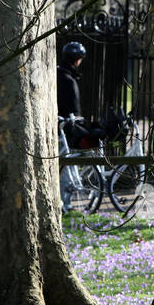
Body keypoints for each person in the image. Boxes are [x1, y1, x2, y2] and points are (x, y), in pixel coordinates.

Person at [57, 41, 87, 210]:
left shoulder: (56, 74)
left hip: (57, 124)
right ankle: (66, 203)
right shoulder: (69, 80)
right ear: (77, 60)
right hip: (66, 128)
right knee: (67, 167)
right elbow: (74, 110)